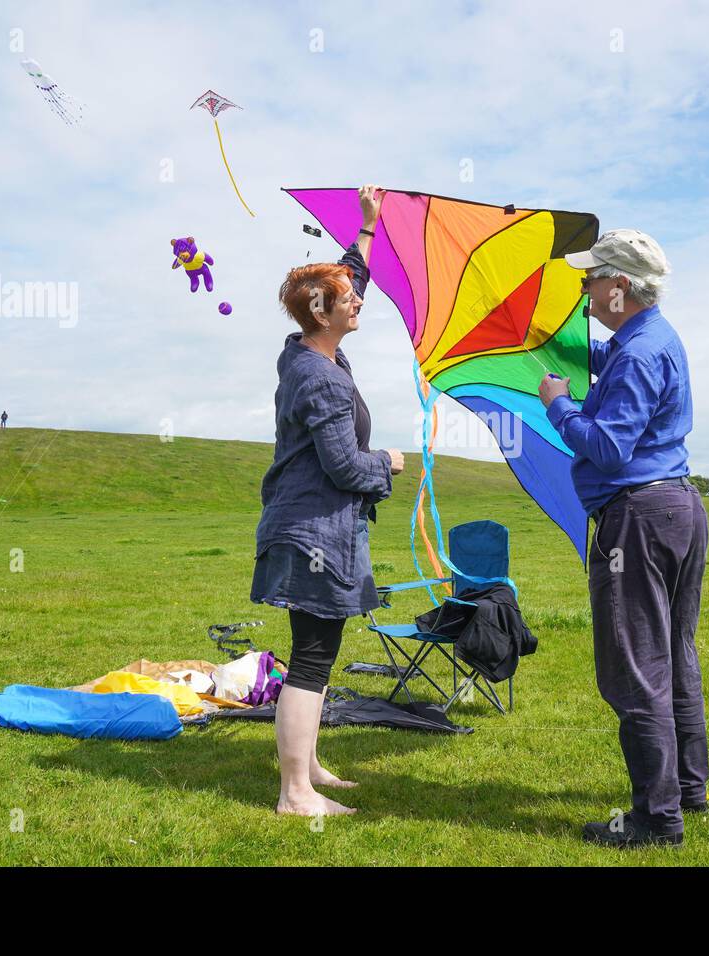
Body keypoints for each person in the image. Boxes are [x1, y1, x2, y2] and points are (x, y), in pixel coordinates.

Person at [539, 229, 709, 848]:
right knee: (675, 654)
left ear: (619, 286)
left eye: (590, 279)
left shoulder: (638, 352)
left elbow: (609, 449)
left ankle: (656, 819)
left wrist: (559, 406)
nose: (583, 288)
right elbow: (617, 377)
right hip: (676, 507)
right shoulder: (649, 338)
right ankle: (690, 789)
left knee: (636, 667)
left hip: (637, 516)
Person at [251, 185, 405, 818]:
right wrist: (387, 463)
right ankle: (294, 793)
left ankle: (308, 764)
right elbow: (344, 466)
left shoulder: (315, 351)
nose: (359, 299)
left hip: (315, 527)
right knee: (312, 657)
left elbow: (347, 276)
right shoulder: (320, 377)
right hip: (314, 533)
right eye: (349, 299)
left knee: (319, 649)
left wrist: (367, 229)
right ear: (323, 313)